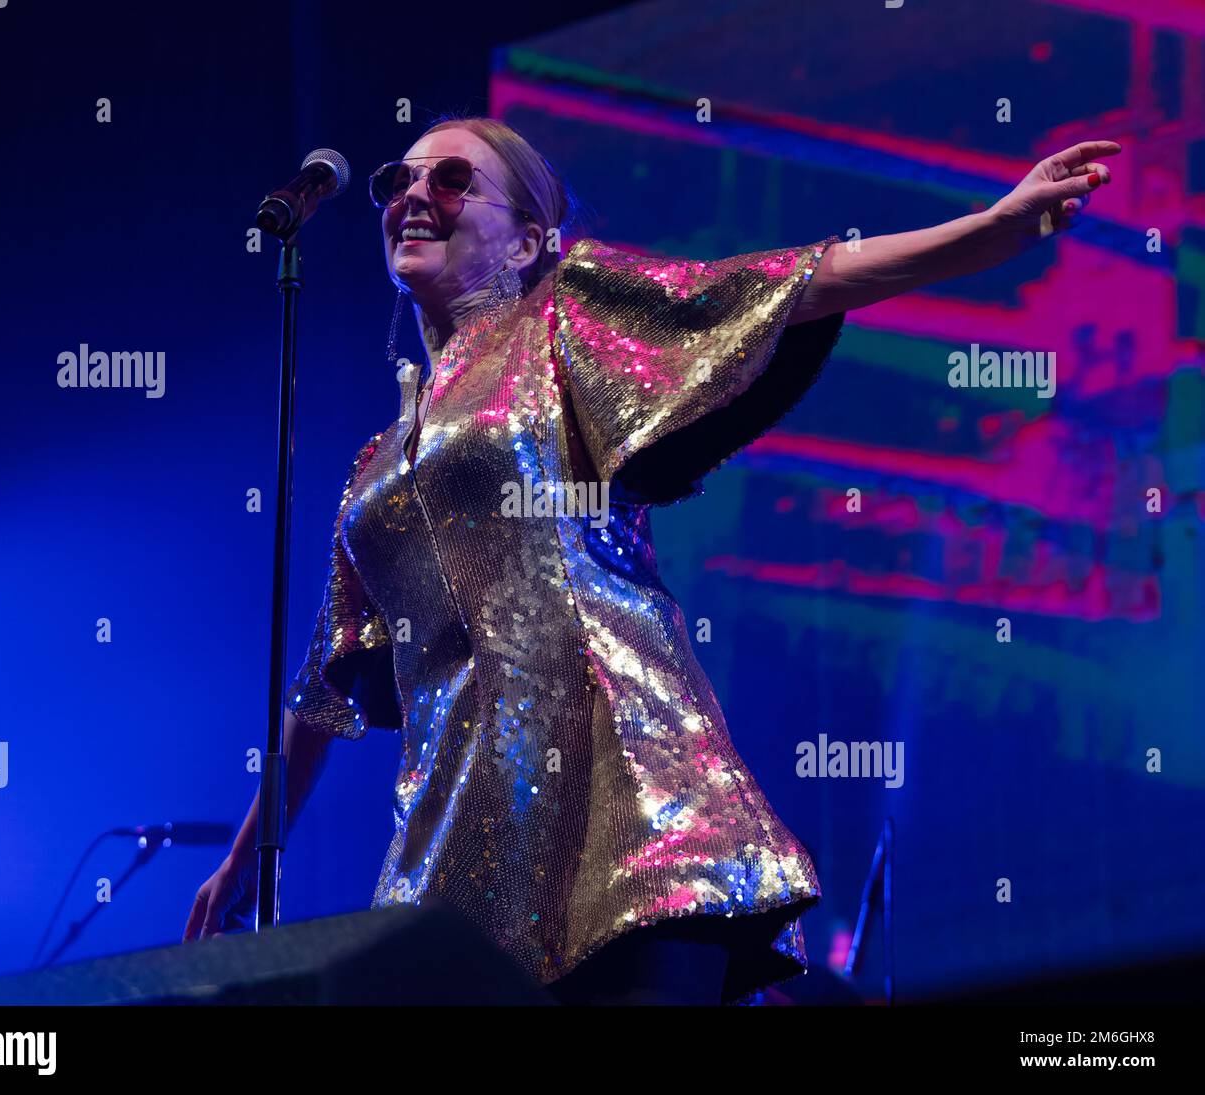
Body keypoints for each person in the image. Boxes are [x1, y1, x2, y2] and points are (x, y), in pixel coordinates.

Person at [185, 117, 1120, 1005]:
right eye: (401, 179)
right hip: (453, 858)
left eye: (455, 178)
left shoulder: (561, 321)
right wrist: (247, 860)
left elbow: (774, 287)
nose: (415, 193)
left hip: (628, 815)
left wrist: (988, 230)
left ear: (526, 241)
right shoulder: (371, 469)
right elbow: (322, 688)